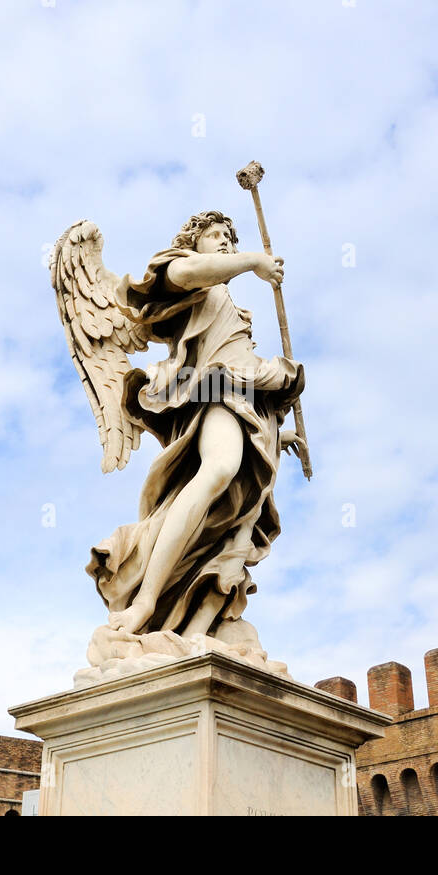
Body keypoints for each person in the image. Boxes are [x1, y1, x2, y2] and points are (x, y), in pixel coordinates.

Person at [87, 210, 305, 638]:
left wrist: (279, 434)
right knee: (219, 468)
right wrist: (251, 261)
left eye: (230, 237)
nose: (225, 242)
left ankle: (196, 628)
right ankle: (146, 600)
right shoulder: (183, 271)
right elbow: (187, 275)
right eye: (216, 236)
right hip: (208, 392)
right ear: (194, 242)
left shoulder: (227, 303)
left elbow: (246, 370)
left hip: (245, 409)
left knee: (235, 525)